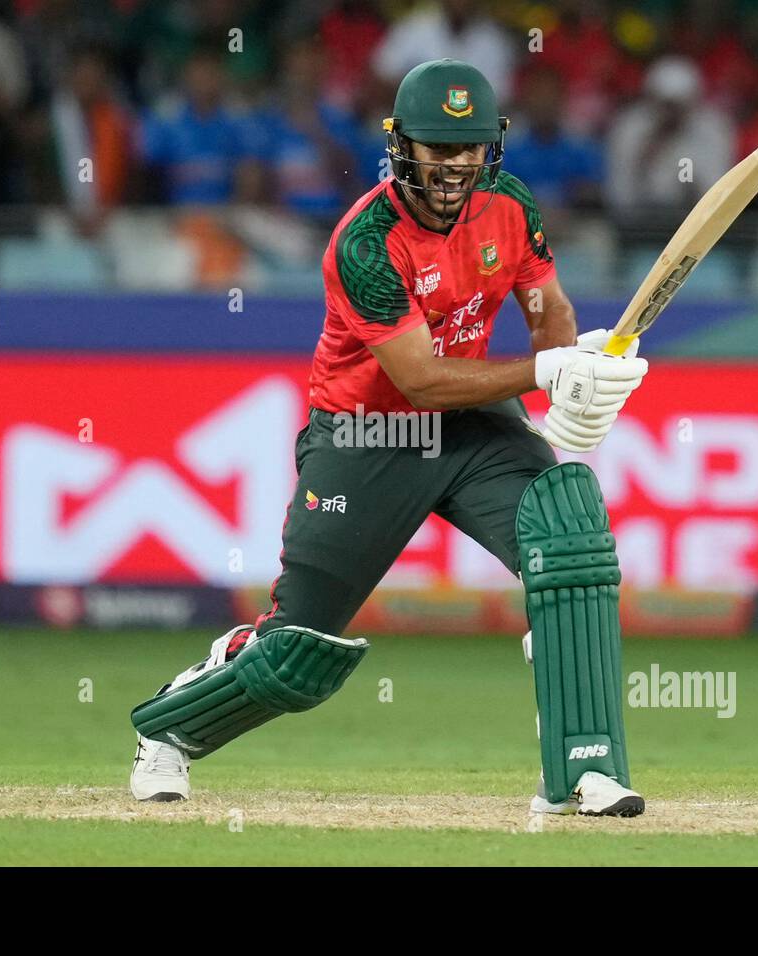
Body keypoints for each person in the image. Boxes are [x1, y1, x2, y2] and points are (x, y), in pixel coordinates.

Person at [128, 60, 650, 818]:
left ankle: (583, 768)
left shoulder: (510, 203)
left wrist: (576, 381)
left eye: (469, 149)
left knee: (568, 543)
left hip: (472, 427)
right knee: (297, 654)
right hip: (366, 434)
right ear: (400, 144)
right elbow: (420, 382)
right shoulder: (365, 242)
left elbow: (549, 311)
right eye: (438, 149)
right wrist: (544, 369)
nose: (456, 165)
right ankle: (172, 727)